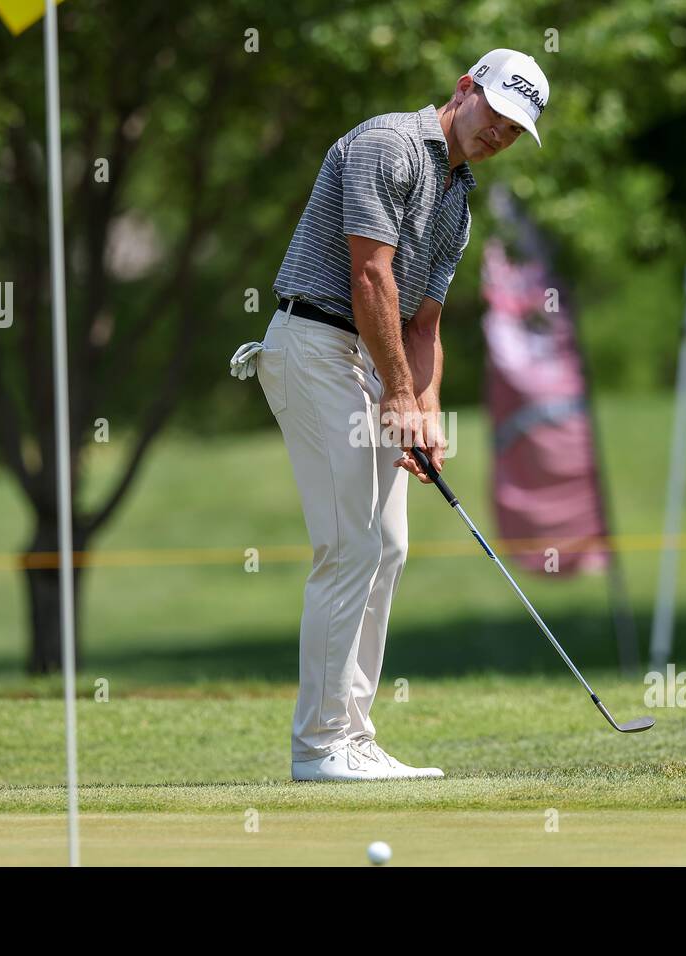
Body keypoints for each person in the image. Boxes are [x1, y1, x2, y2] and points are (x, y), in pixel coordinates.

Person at [230, 49, 549, 781]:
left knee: (390, 547)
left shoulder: (459, 200)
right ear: (466, 89)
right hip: (315, 345)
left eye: (514, 129)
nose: (500, 135)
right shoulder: (388, 144)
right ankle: (317, 747)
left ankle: (353, 735)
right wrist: (399, 397)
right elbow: (369, 273)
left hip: (374, 361)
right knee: (351, 547)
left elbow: (424, 322)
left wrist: (425, 414)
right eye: (496, 115)